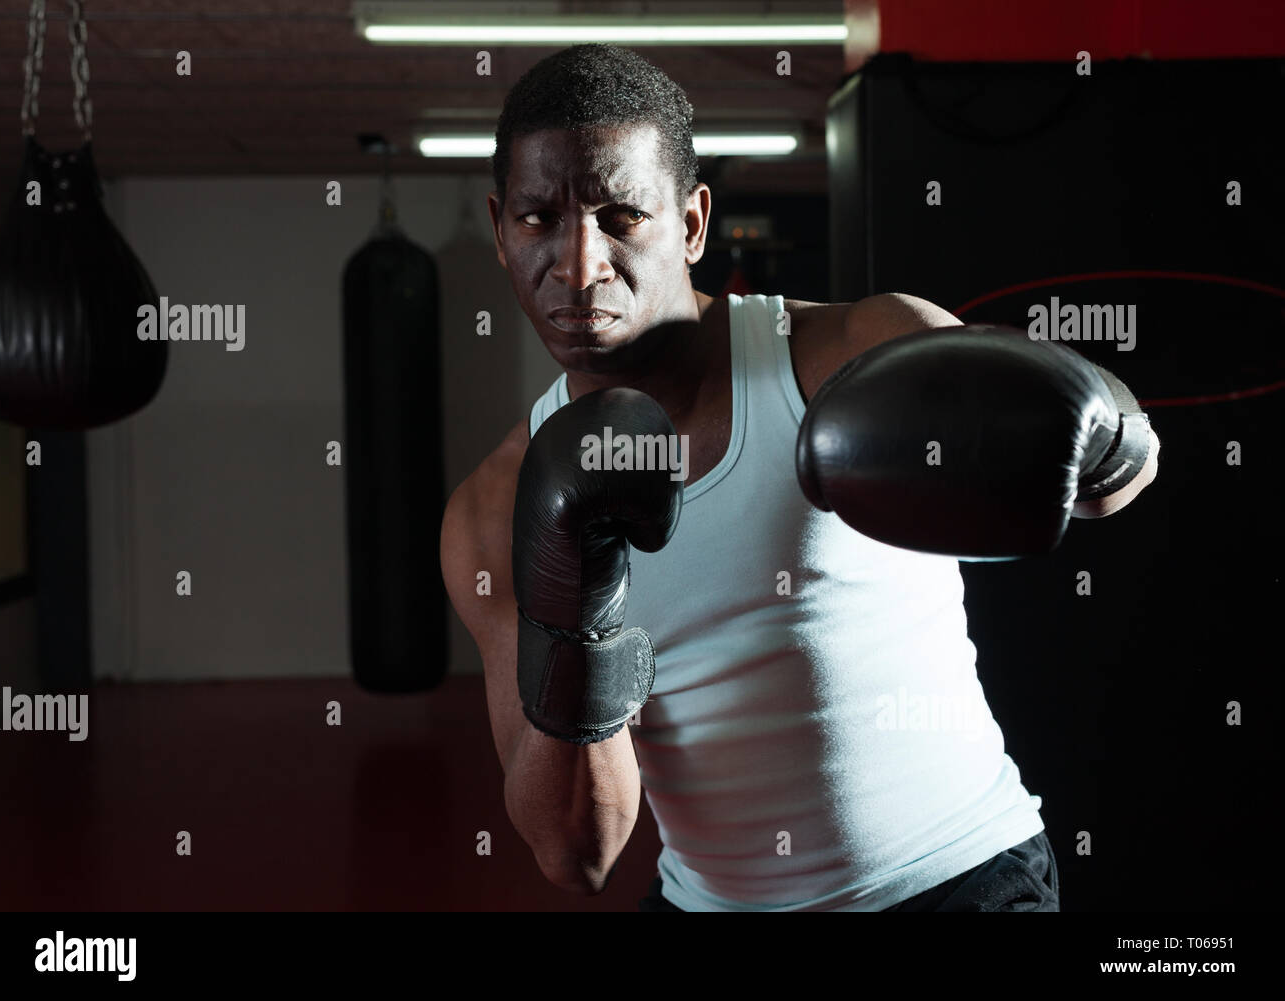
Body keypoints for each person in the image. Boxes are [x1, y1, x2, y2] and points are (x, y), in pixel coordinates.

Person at [439, 44, 1159, 912]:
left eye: (621, 215)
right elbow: (576, 851)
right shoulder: (495, 508)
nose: (579, 263)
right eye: (538, 219)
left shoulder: (853, 356)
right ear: (498, 225)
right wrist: (574, 621)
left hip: (954, 879)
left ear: (694, 223)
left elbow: (1112, 480)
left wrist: (1106, 430)